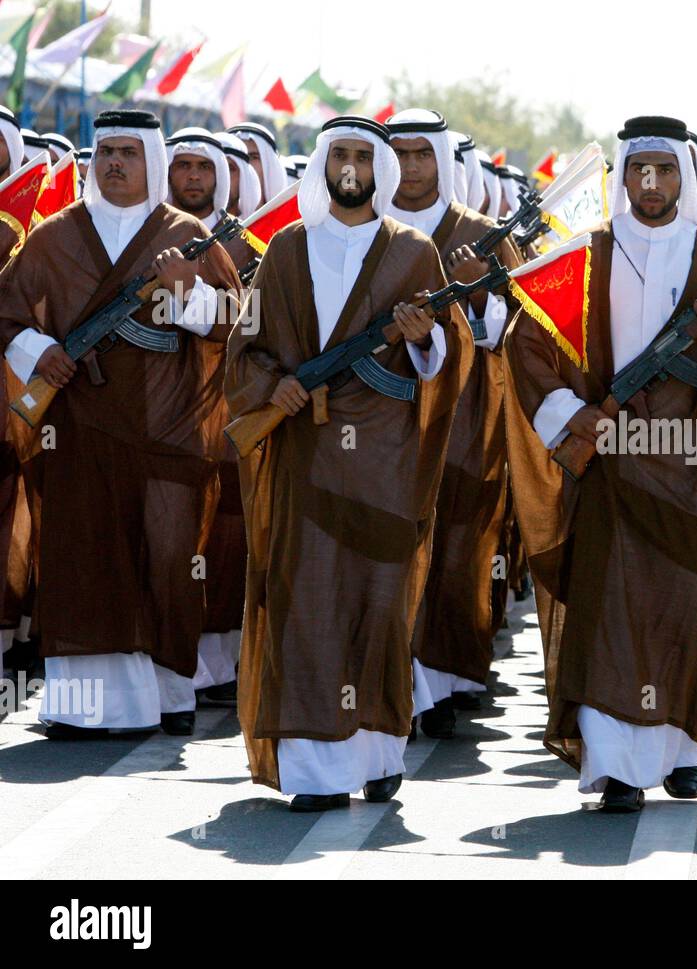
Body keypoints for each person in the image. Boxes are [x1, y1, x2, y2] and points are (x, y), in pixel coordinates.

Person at [503, 115, 697, 811]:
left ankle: (686, 749)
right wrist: (575, 418)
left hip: (694, 470)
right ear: (624, 175)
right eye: (640, 170)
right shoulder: (587, 254)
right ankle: (617, 765)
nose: (652, 183)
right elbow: (527, 341)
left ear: (682, 178)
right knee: (608, 610)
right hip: (608, 469)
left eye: (665, 170)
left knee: (687, 612)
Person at [225, 115, 473, 811]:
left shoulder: (415, 253)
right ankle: (313, 765)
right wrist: (273, 383)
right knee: (306, 603)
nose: (353, 166)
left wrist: (423, 342)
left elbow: (447, 358)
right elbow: (247, 346)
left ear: (381, 169)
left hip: (385, 461)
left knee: (379, 603)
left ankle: (377, 749)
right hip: (304, 455)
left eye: (366, 155)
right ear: (324, 165)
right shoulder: (285, 249)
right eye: (342, 154)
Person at [0, 109, 241, 738]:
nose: (115, 163)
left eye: (129, 153)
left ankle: (167, 697)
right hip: (77, 428)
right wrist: (37, 350)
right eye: (105, 151)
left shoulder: (185, 235)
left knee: (167, 562)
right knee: (84, 563)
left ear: (150, 162)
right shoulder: (55, 237)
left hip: (168, 430)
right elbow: (7, 314)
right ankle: (81, 709)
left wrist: (183, 290)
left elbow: (241, 320)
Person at [386, 108, 524, 738]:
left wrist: (474, 292)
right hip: (376, 415)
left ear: (441, 161)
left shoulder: (484, 233)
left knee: (454, 549)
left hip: (464, 414)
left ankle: (439, 680)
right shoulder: (362, 226)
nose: (411, 167)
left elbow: (512, 336)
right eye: (402, 154)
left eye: (422, 155)